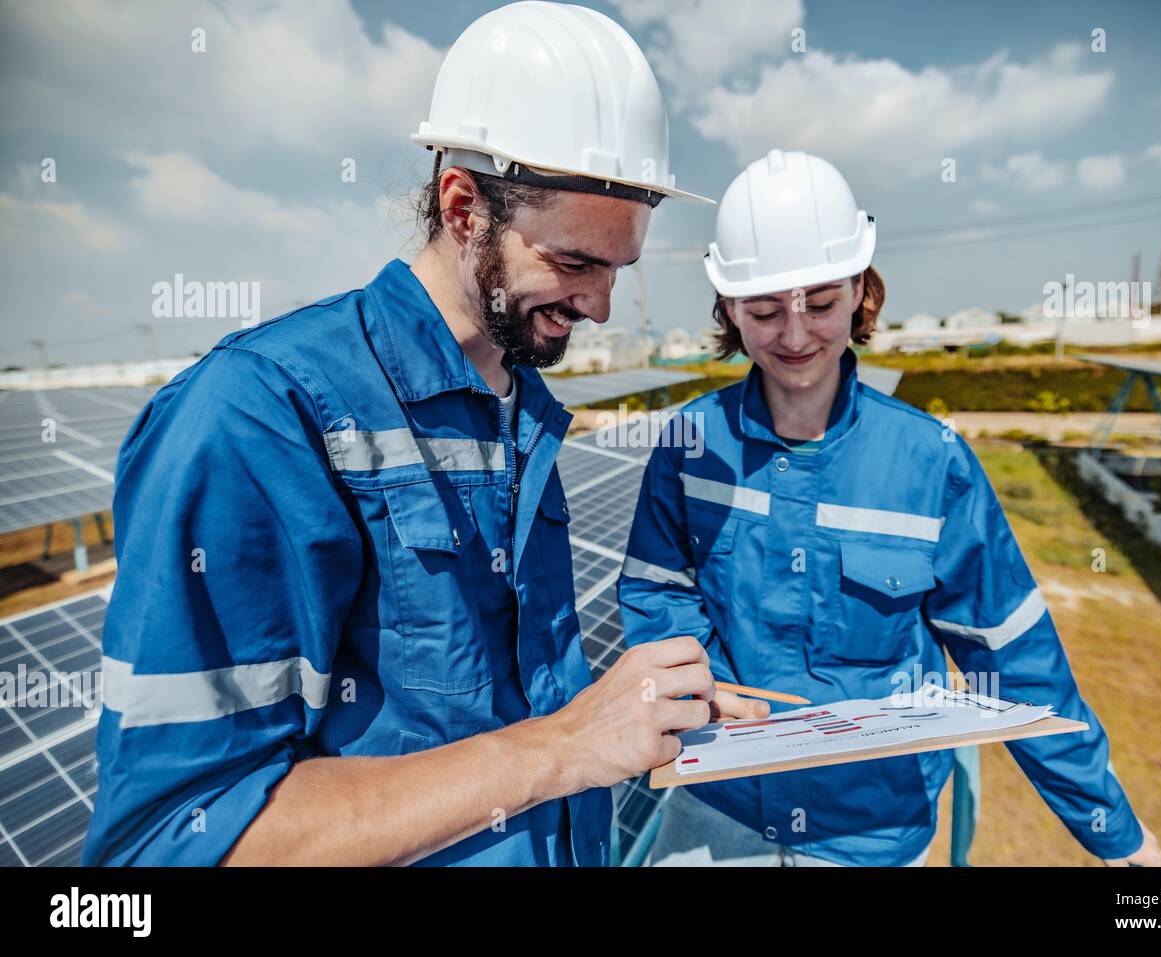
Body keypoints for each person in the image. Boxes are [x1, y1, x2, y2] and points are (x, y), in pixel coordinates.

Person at [82, 0, 734, 867]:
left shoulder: (518, 409)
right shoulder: (259, 414)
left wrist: (641, 715)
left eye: (617, 267)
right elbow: (167, 841)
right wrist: (569, 743)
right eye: (574, 262)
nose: (601, 306)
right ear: (463, 205)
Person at [618, 149, 1161, 867]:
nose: (794, 336)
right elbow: (657, 590)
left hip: (870, 834)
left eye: (819, 303)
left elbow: (1015, 657)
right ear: (727, 305)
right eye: (762, 310)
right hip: (722, 801)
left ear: (859, 289)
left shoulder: (932, 463)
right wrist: (699, 688)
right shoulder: (691, 445)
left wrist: (1113, 832)